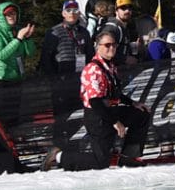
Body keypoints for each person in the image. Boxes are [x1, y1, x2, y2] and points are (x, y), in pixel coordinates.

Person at [46, 29, 152, 171]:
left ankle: (130, 156)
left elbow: (115, 93)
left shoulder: (110, 66)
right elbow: (95, 102)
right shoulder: (93, 69)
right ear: (98, 46)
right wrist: (116, 122)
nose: (112, 48)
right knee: (102, 163)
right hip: (98, 117)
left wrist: (133, 103)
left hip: (111, 111)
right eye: (107, 45)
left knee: (141, 114)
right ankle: (59, 156)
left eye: (114, 45)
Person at [0, 1, 39, 84]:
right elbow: (1, 55)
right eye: (8, 14)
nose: (11, 16)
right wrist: (18, 39)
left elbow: (30, 53)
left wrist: (28, 38)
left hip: (18, 77)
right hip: (1, 78)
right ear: (2, 16)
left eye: (13, 13)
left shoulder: (19, 30)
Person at [40, 0, 95, 76]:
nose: (72, 13)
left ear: (79, 13)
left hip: (81, 76)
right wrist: (52, 77)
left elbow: (90, 54)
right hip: (61, 78)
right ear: (63, 14)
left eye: (75, 10)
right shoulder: (54, 32)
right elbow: (46, 58)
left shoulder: (84, 32)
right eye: (68, 10)